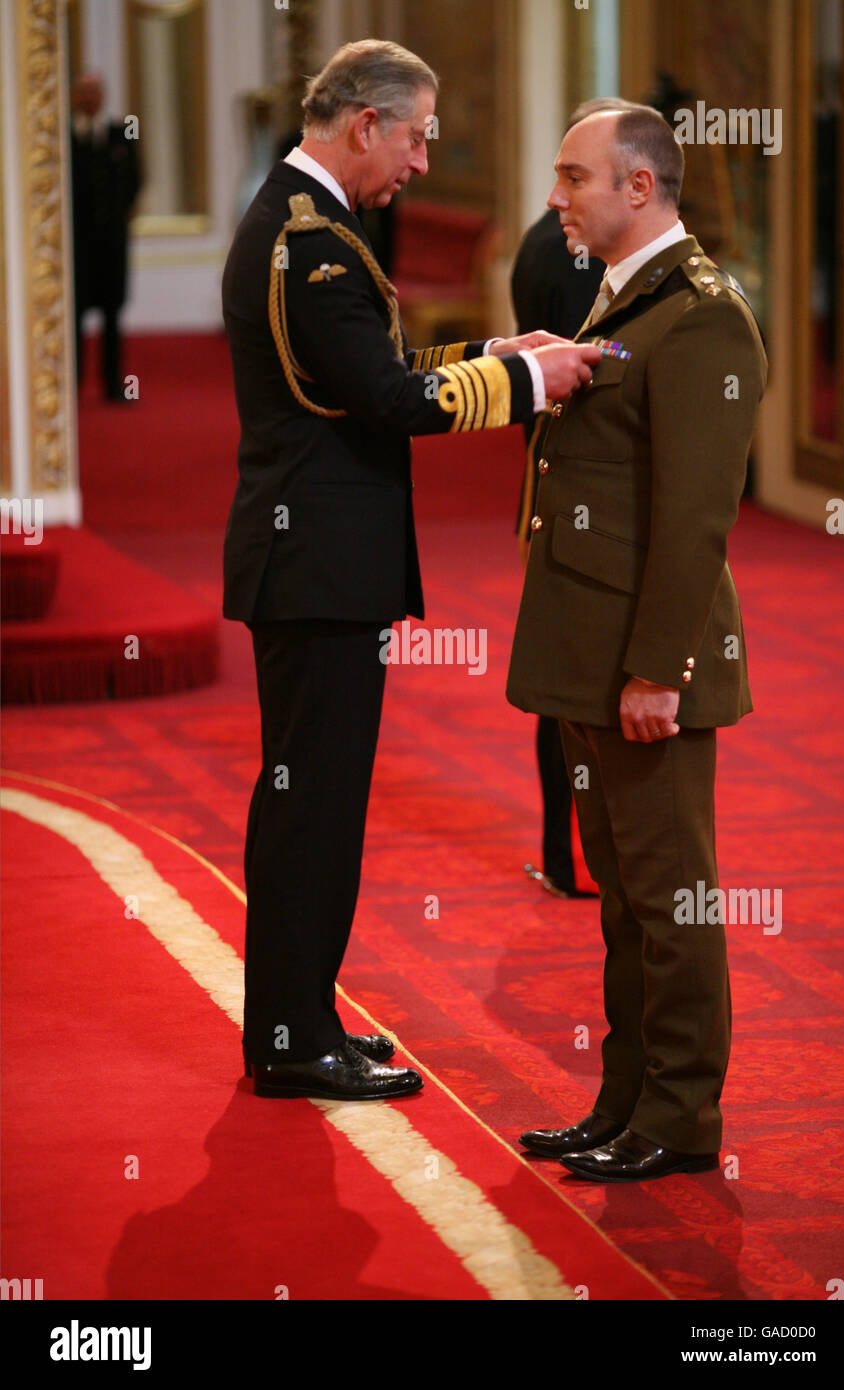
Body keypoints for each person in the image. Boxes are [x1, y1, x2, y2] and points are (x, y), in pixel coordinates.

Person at [221, 40, 600, 1102]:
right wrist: (525, 379)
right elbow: (389, 403)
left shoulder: (315, 229)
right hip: (316, 569)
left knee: (314, 805)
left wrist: (493, 351)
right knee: (313, 809)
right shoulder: (315, 242)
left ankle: (300, 1014)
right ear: (364, 126)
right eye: (417, 135)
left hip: (314, 563)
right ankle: (293, 1039)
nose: (423, 161)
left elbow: (364, 376)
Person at [507, 100, 767, 1181]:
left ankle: (680, 1116)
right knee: (621, 894)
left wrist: (658, 667)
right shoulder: (626, 295)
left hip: (641, 662)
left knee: (670, 897)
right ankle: (624, 1099)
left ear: (638, 188)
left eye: (572, 177)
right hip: (588, 649)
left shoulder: (702, 316)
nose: (556, 198)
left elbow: (694, 517)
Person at [511, 181, 605, 900]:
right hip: (587, 494)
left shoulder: (538, 240)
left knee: (563, 672)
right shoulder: (582, 252)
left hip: (544, 483)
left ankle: (563, 853)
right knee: (579, 677)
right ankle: (576, 859)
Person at [69, 72, 139, 401]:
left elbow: (135, 181)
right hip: (73, 246)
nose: (88, 98)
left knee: (112, 316)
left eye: (94, 91)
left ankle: (113, 386)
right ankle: (71, 385)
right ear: (71, 96)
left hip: (111, 244)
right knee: (72, 316)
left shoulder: (122, 134)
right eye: (82, 92)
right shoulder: (61, 139)